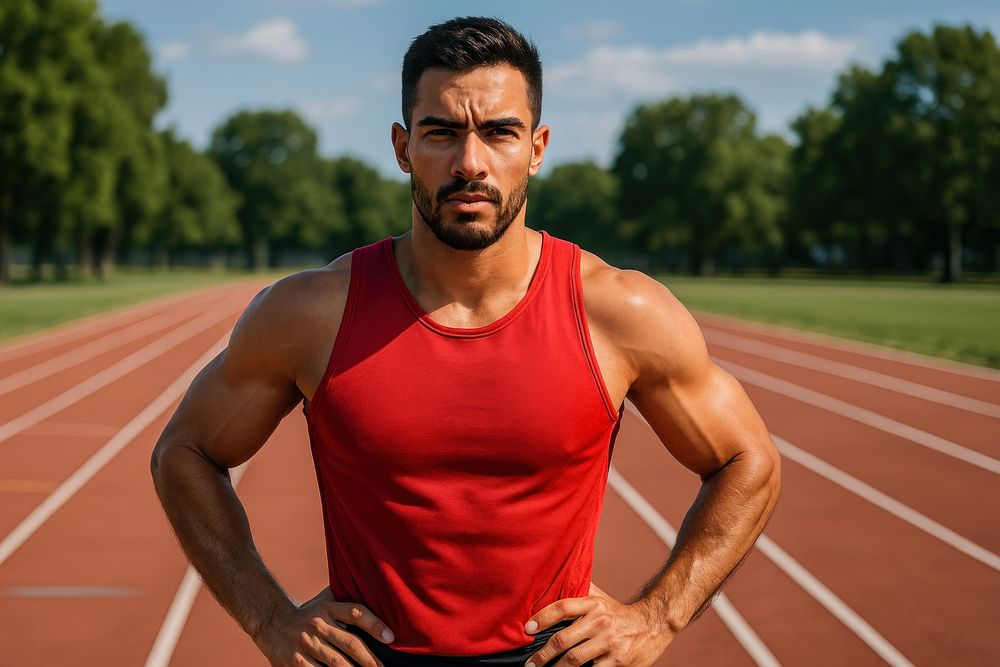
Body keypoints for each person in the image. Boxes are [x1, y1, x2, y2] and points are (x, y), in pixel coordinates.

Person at [150, 15, 781, 667]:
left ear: (536, 148)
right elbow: (184, 452)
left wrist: (658, 616)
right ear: (402, 147)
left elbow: (748, 461)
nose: (470, 162)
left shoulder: (619, 310)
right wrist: (270, 619)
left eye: (499, 132)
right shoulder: (313, 312)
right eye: (442, 132)